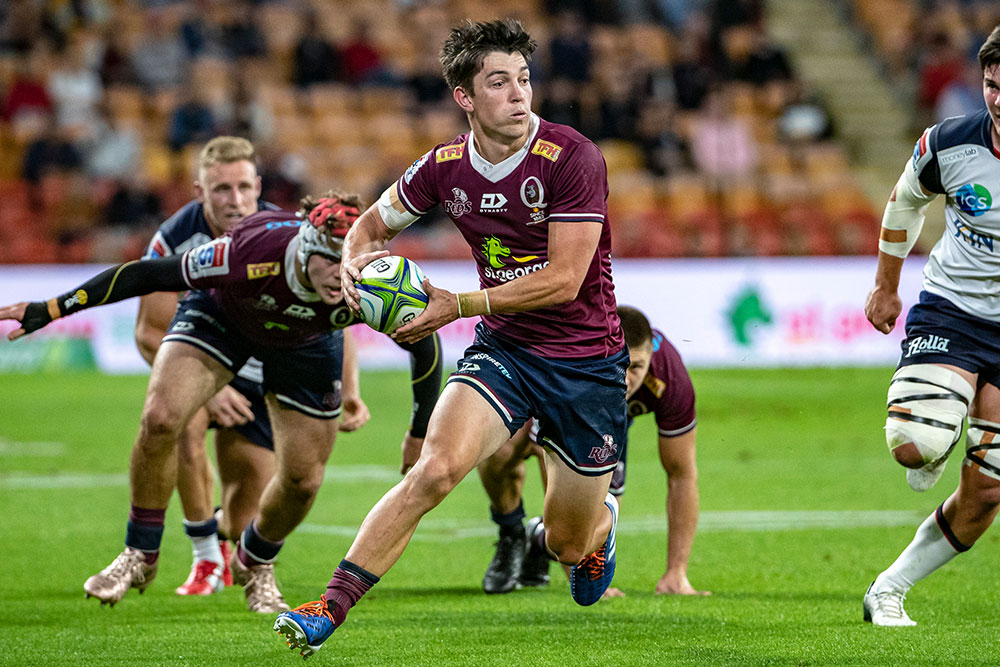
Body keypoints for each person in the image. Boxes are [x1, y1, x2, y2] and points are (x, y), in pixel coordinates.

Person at [273, 18, 628, 659]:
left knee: (564, 547)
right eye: (499, 82)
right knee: (434, 472)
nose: (519, 94)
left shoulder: (572, 155)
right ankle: (330, 605)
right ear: (465, 97)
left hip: (585, 362)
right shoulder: (444, 167)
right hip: (506, 349)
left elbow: (565, 280)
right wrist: (356, 272)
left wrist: (453, 304)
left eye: (523, 79)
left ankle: (599, 531)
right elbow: (369, 226)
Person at [0, 191, 442, 614]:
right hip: (221, 319)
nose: (338, 273)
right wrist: (53, 308)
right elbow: (146, 274)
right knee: (161, 417)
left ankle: (254, 560)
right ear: (305, 248)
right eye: (328, 259)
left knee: (303, 481)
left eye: (346, 260)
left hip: (306, 344)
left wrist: (418, 432)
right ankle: (140, 551)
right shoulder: (250, 250)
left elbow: (427, 345)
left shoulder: (373, 278)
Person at [862, 25, 1000, 627]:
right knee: (915, 442)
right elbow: (903, 203)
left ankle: (886, 591)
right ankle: (938, 433)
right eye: (994, 86)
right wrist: (886, 285)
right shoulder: (949, 144)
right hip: (953, 309)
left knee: (989, 491)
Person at [479, 305, 709, 598]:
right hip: (552, 398)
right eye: (622, 364)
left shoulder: (669, 377)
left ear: (651, 355)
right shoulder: (576, 364)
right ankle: (512, 533)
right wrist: (571, 561)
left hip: (609, 416)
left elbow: (682, 473)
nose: (626, 379)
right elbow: (548, 459)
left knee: (606, 506)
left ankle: (536, 539)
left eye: (636, 367)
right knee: (497, 452)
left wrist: (676, 573)